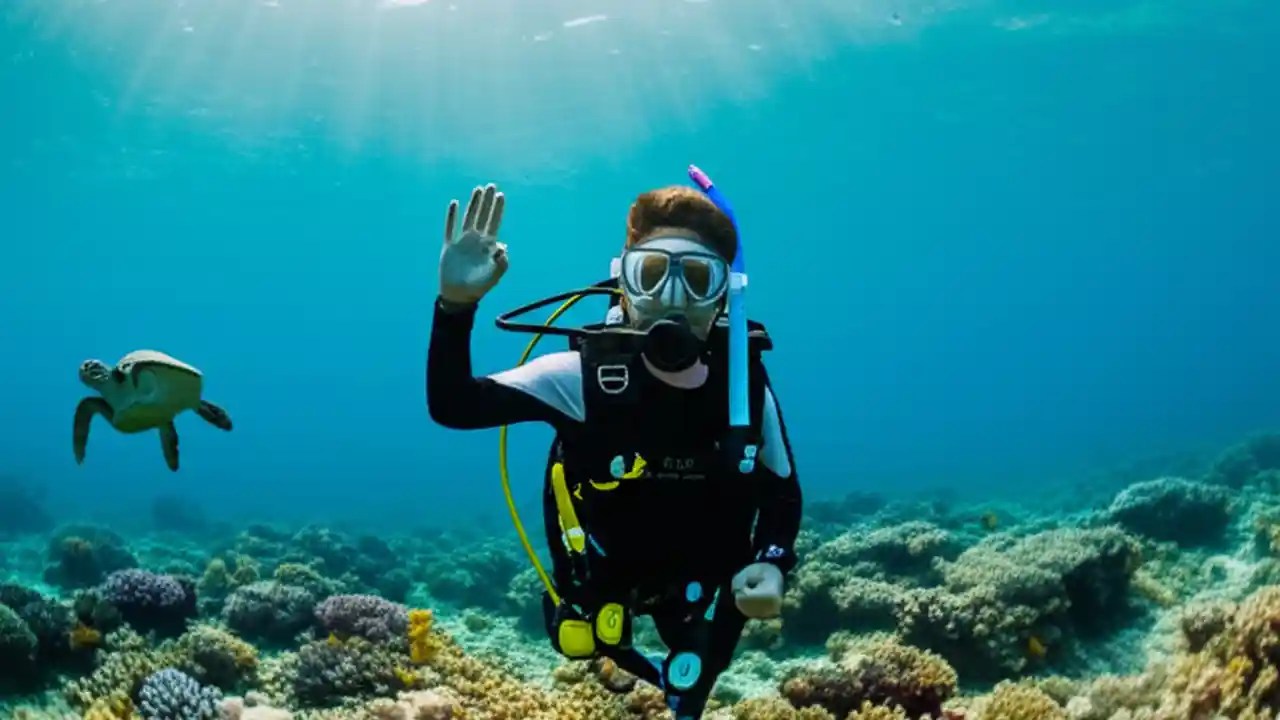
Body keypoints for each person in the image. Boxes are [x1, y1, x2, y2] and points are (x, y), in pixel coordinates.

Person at [426, 180, 802, 719]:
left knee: (694, 678)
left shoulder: (742, 388)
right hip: (601, 571)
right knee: (587, 640)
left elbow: (783, 495)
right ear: (622, 283)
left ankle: (680, 689)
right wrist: (455, 307)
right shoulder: (582, 377)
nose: (672, 299)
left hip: (709, 576)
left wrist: (773, 563)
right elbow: (454, 405)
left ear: (724, 296)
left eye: (697, 280)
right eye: (651, 275)